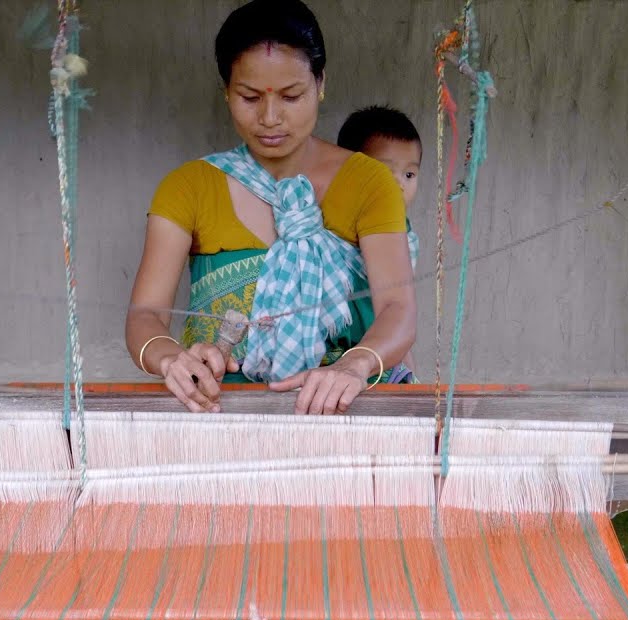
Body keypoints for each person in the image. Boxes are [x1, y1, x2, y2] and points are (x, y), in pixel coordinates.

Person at [125, 0, 416, 416]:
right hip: (221, 415)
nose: (270, 117)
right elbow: (144, 314)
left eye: (291, 95)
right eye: (249, 97)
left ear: (320, 84)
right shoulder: (188, 187)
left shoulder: (368, 183)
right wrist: (172, 359)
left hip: (344, 412)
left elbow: (397, 309)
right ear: (226, 90)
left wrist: (353, 366)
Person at [336, 105, 424, 381]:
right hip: (332, 356)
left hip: (377, 360)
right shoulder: (329, 229)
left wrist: (411, 377)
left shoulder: (403, 236)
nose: (397, 185)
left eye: (409, 175)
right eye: (383, 174)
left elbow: (400, 315)